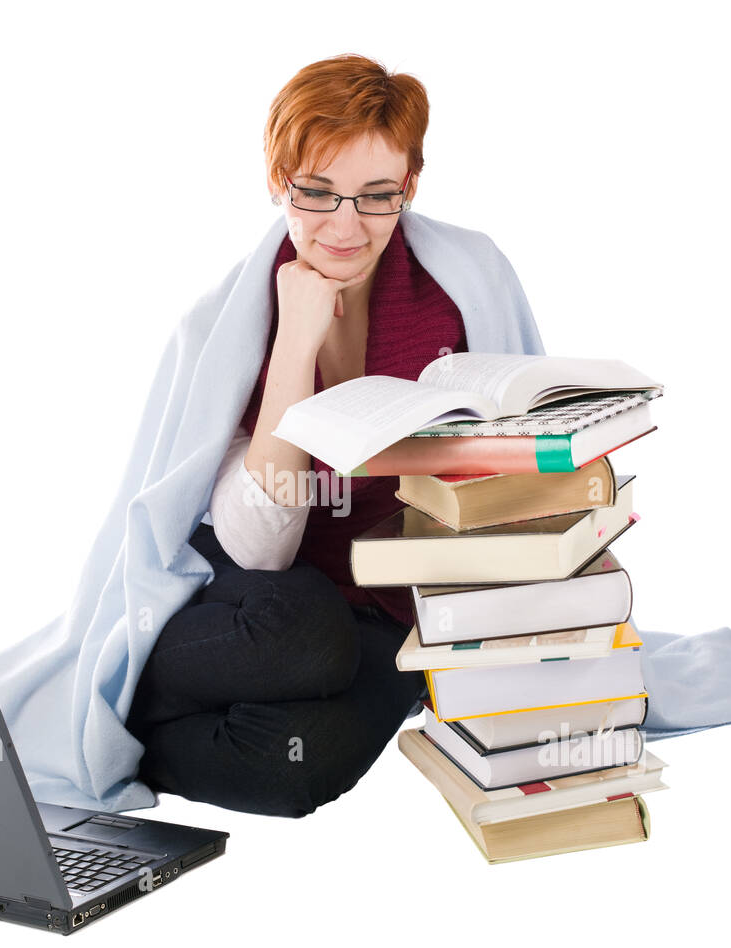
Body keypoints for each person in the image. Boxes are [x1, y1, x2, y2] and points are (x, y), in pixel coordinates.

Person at [124, 54, 537, 817]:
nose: (345, 227)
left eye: (377, 197)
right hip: (257, 591)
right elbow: (259, 546)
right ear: (278, 181)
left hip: (389, 601)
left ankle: (144, 730)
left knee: (298, 771)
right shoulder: (226, 323)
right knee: (306, 638)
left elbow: (518, 458)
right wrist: (294, 347)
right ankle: (121, 687)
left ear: (410, 187)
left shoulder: (463, 283)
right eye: (316, 193)